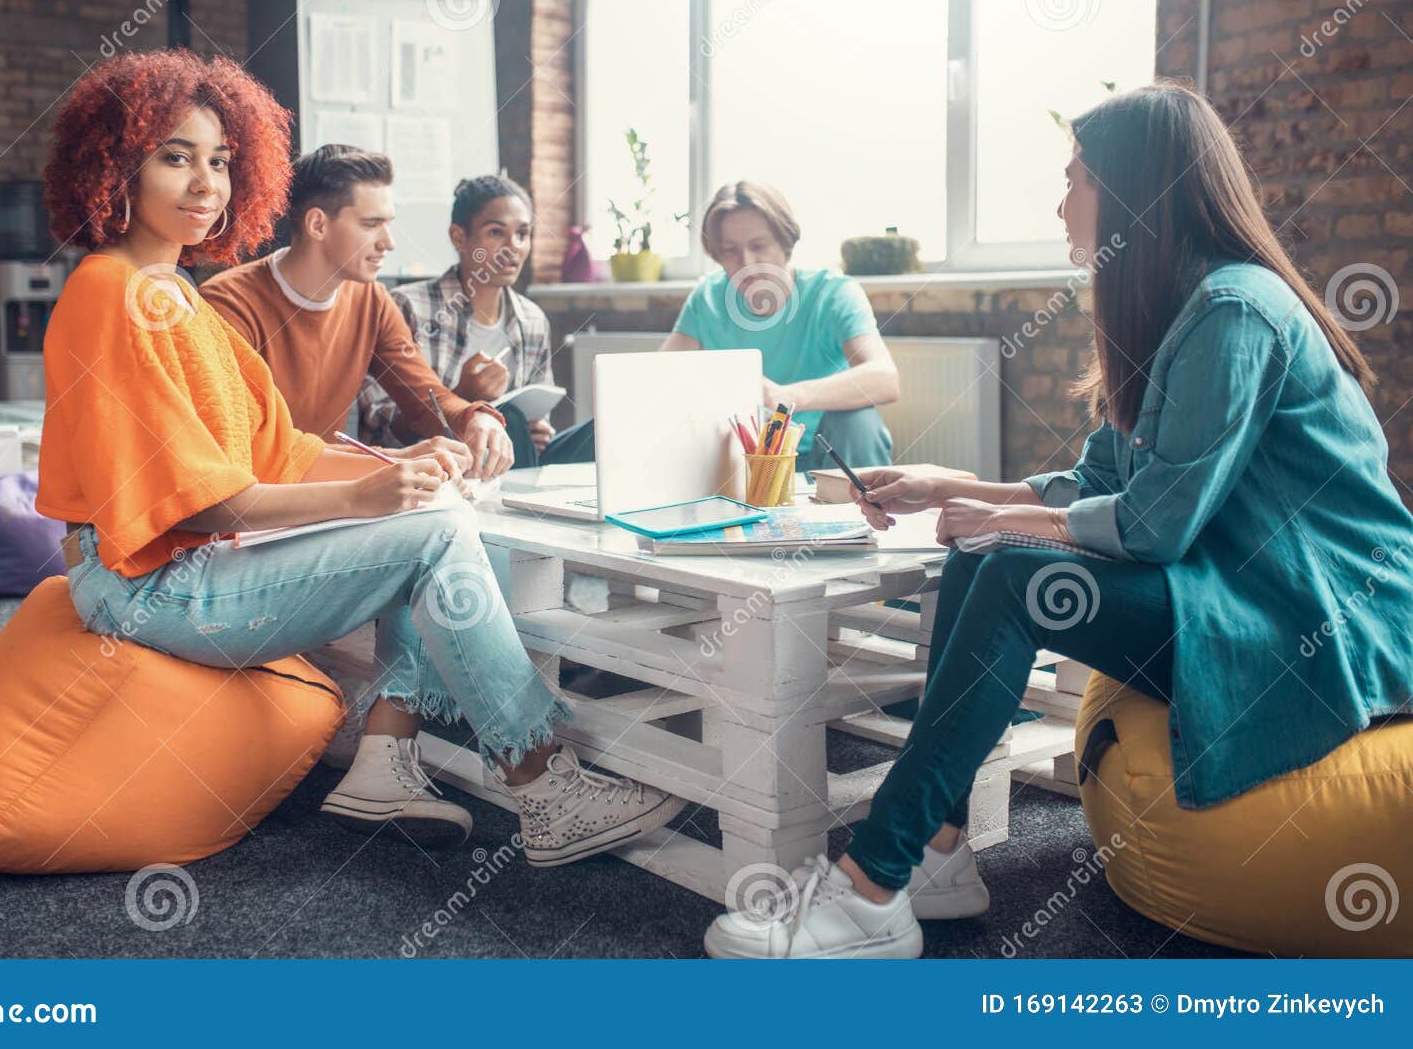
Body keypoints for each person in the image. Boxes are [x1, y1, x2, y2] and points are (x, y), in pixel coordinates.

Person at [704, 82, 1413, 959]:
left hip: (1315, 618)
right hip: (1235, 588)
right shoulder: (1179, 312)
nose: (1060, 198)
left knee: (1008, 572)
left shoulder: (1234, 311)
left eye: (1075, 177)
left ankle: (868, 892)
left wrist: (995, 522)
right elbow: (1094, 482)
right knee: (987, 557)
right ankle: (938, 853)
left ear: (1134, 191)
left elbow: (1155, 526)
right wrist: (945, 486)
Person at [36, 50, 681, 865]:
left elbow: (283, 447)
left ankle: (409, 761)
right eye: (175, 156)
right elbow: (199, 501)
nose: (206, 183)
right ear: (114, 166)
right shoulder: (120, 293)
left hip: (173, 569)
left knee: (435, 513)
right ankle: (545, 784)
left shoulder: (171, 294)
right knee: (433, 535)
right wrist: (364, 498)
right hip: (146, 584)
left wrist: (408, 471)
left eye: (222, 162)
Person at [200, 145, 515, 479]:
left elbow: (425, 398)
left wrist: (476, 418)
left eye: (388, 223)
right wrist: (395, 459)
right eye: (371, 224)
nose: (389, 242)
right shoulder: (228, 305)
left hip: (337, 499)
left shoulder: (372, 300)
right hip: (260, 510)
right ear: (318, 224)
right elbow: (256, 449)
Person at [357, 174, 594, 467]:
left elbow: (539, 418)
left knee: (602, 431)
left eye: (523, 234)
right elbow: (380, 427)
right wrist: (463, 398)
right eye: (496, 233)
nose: (513, 247)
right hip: (438, 464)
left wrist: (540, 432)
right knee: (512, 421)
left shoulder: (532, 320)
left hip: (515, 460)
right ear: (459, 237)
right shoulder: (407, 306)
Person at [662, 181, 899, 472]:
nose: (747, 262)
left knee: (858, 421)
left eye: (758, 246)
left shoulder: (832, 293)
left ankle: (863, 514)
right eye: (730, 250)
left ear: (786, 243)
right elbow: (660, 376)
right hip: (737, 461)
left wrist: (786, 398)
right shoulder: (708, 296)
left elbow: (885, 379)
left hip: (821, 458)